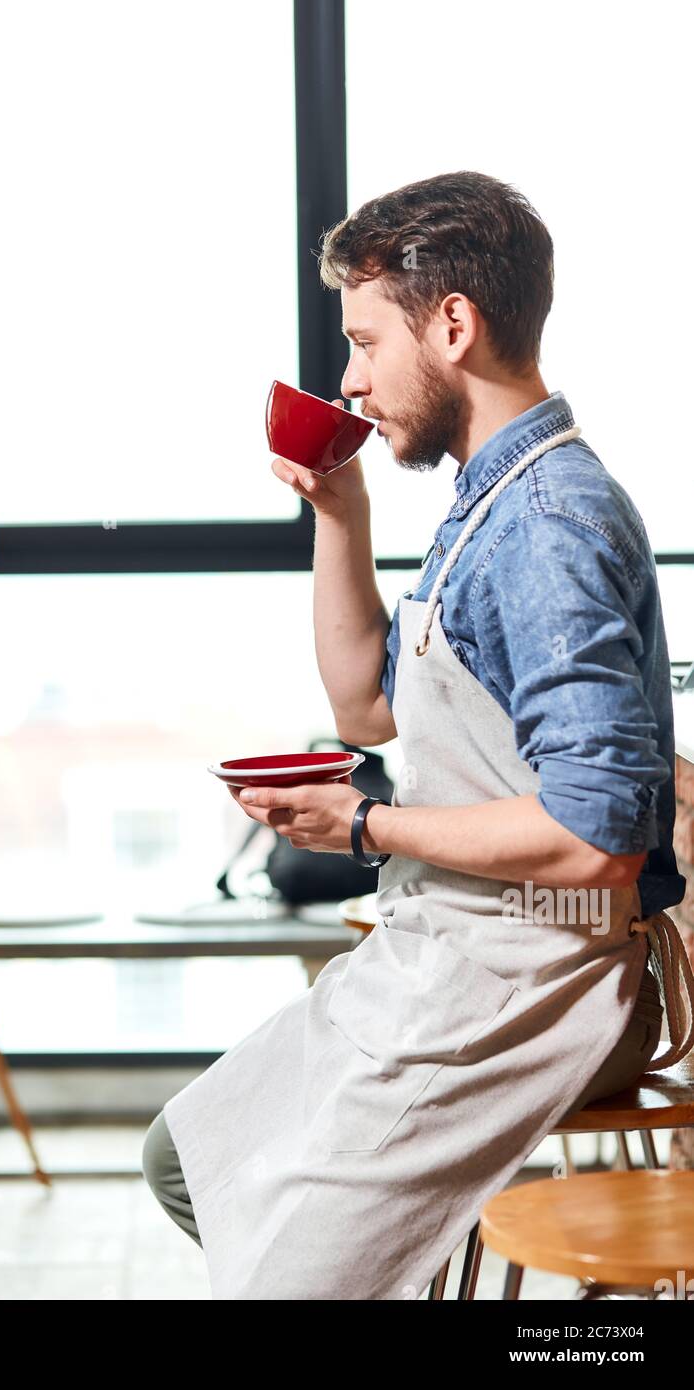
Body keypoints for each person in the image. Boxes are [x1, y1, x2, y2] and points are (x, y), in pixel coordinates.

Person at [143, 171, 686, 1299]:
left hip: (535, 976)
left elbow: (598, 844)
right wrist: (338, 509)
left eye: (362, 340)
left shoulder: (545, 525)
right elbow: (366, 708)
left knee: (280, 1277)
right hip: (445, 950)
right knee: (189, 1161)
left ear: (451, 325)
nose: (347, 378)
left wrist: (368, 822)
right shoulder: (485, 499)